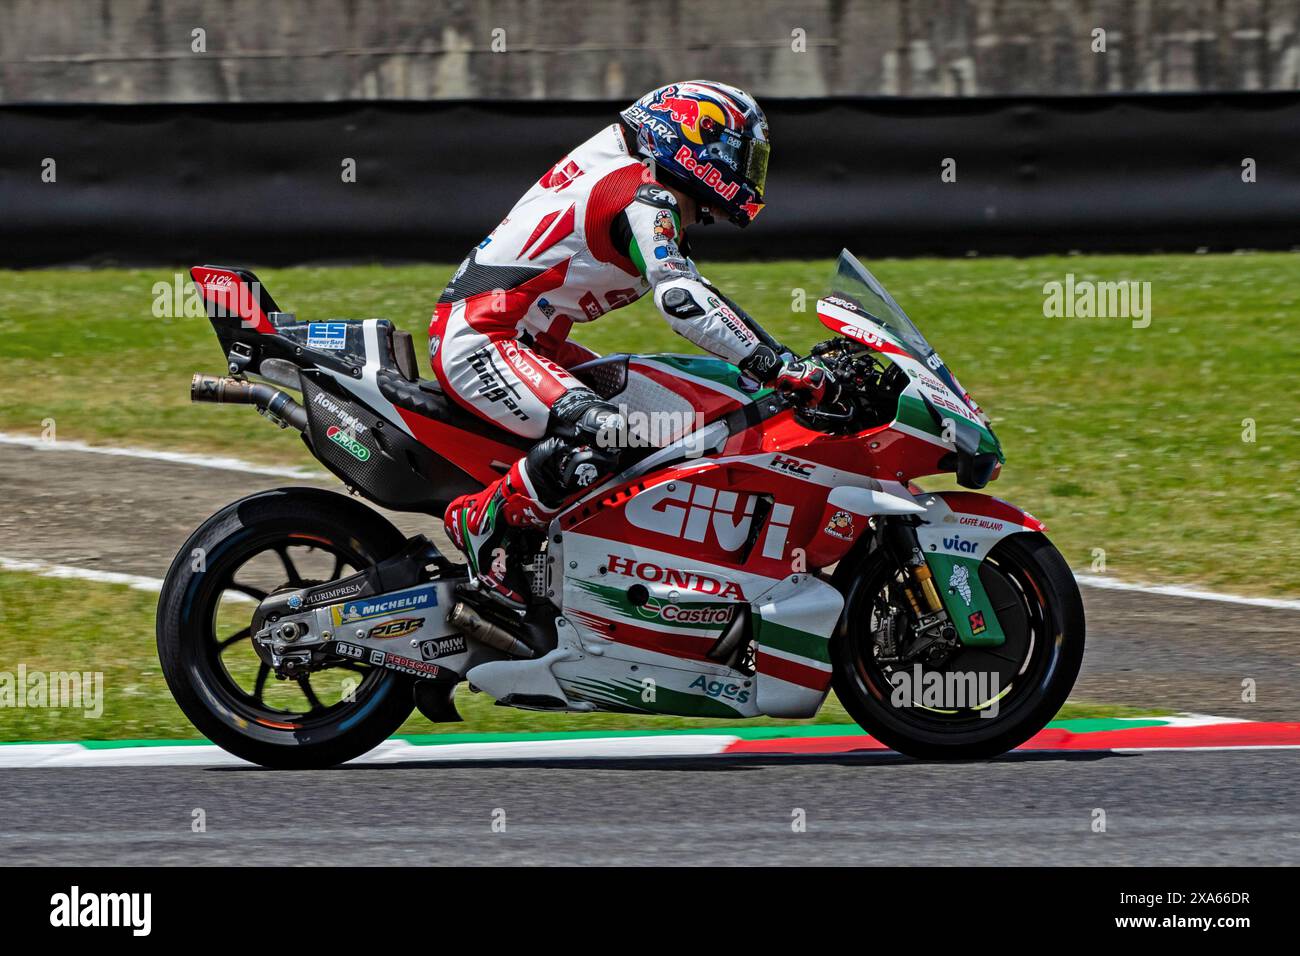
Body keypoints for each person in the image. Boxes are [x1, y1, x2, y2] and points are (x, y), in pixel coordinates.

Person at [431, 80, 834, 608]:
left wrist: (769, 364)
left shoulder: (636, 172)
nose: (747, 174)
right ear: (694, 137)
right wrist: (776, 362)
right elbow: (683, 301)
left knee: (688, 415)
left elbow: (694, 291)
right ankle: (482, 522)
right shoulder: (640, 194)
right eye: (738, 156)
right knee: (610, 430)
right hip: (481, 338)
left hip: (534, 344)